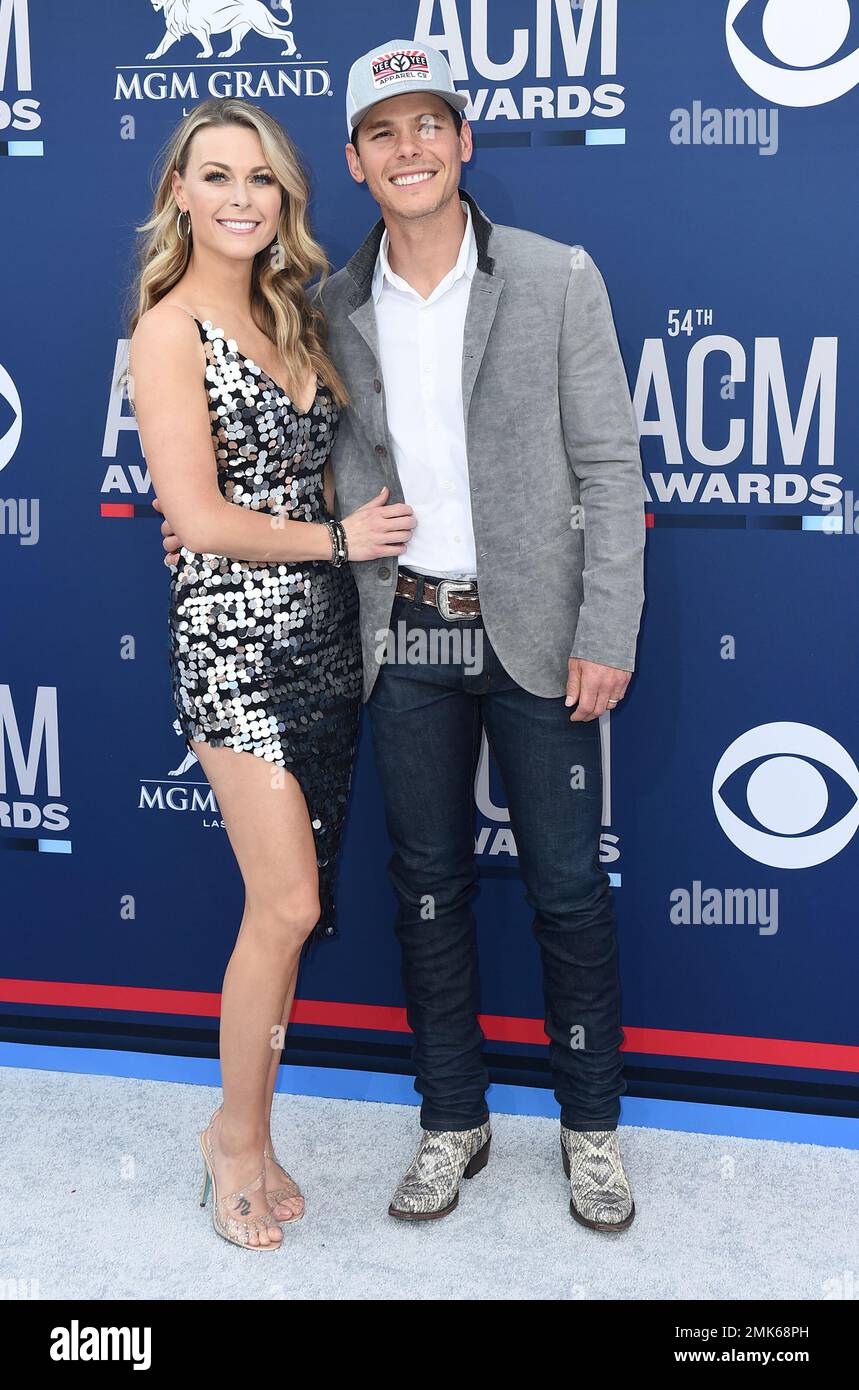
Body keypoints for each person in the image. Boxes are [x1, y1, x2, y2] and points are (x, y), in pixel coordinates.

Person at [162, 39, 646, 1232]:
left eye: (430, 124)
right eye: (385, 132)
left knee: (569, 888)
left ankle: (590, 1129)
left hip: (536, 631)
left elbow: (609, 462)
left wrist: (609, 625)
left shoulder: (553, 276)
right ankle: (452, 1121)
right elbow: (271, 467)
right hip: (405, 634)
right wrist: (196, 527)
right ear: (356, 163)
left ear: (464, 142)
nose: (411, 147)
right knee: (423, 886)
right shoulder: (326, 304)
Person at [127, 96, 415, 1250]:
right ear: (180, 196)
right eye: (217, 175)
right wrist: (339, 541)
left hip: (324, 643)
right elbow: (195, 515)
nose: (241, 195)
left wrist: (329, 550)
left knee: (289, 913)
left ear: (284, 197)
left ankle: (256, 1127)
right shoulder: (165, 329)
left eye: (261, 177)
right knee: (286, 901)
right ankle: (231, 1143)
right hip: (232, 644)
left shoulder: (296, 315)